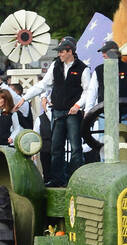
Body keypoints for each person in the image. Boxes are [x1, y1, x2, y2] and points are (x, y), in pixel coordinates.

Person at [21, 36, 89, 185]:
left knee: (76, 148)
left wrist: (78, 105)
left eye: (62, 51)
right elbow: (43, 85)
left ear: (70, 51)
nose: (59, 54)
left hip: (73, 113)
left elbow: (87, 91)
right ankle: (57, 179)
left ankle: (76, 180)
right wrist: (25, 98)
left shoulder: (83, 69)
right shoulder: (55, 65)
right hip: (58, 111)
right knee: (56, 147)